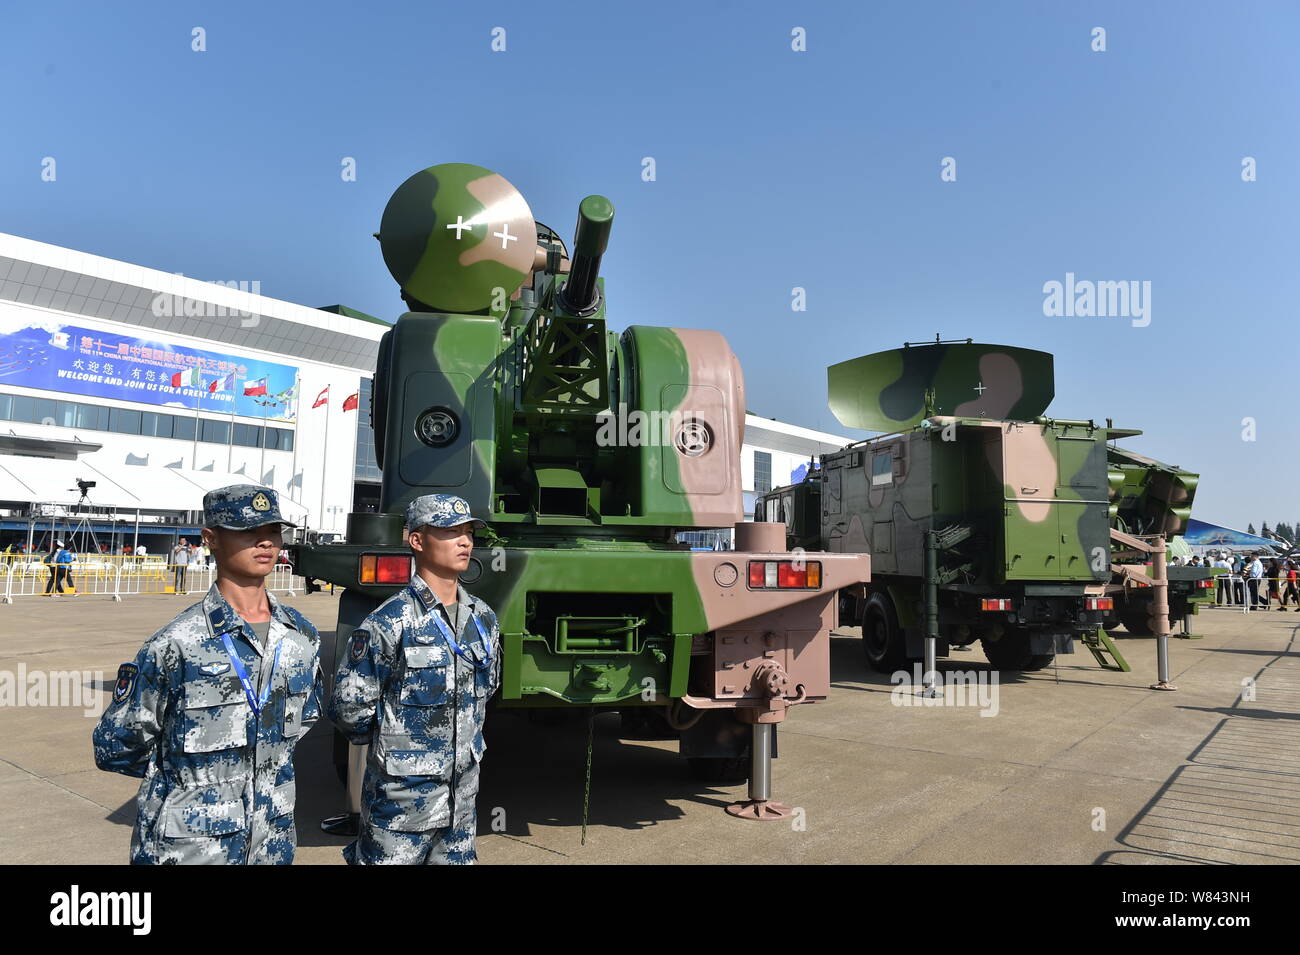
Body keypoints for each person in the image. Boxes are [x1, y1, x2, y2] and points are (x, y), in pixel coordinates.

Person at [92, 485, 322, 865]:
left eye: (273, 531)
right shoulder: (176, 644)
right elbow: (115, 747)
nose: (265, 542)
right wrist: (194, 780)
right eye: (248, 531)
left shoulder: (300, 636)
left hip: (271, 842)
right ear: (211, 539)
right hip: (191, 847)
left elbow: (306, 716)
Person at [329, 493, 500, 865]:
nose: (465, 541)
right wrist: (404, 753)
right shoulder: (389, 621)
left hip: (460, 807)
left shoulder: (483, 619)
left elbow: (486, 691)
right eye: (450, 531)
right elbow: (350, 710)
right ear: (417, 540)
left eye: (469, 532)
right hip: (400, 808)